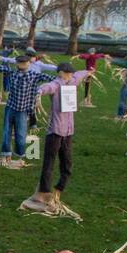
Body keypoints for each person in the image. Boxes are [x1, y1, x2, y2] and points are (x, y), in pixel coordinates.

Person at [26, 61, 91, 213]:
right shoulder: (56, 84)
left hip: (68, 132)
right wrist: (39, 91)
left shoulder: (74, 80)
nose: (68, 75)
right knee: (49, 163)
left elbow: (81, 74)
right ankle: (44, 192)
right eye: (66, 73)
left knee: (67, 164)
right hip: (55, 131)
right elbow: (47, 87)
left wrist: (89, 71)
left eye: (70, 73)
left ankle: (58, 189)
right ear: (60, 72)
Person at [0, 54, 49, 169]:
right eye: (20, 63)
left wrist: (62, 80)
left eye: (24, 63)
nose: (22, 65)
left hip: (23, 110)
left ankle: (19, 158)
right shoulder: (12, 73)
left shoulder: (33, 75)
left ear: (29, 64)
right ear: (17, 64)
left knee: (20, 134)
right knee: (7, 132)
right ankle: (6, 156)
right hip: (10, 107)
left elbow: (49, 78)